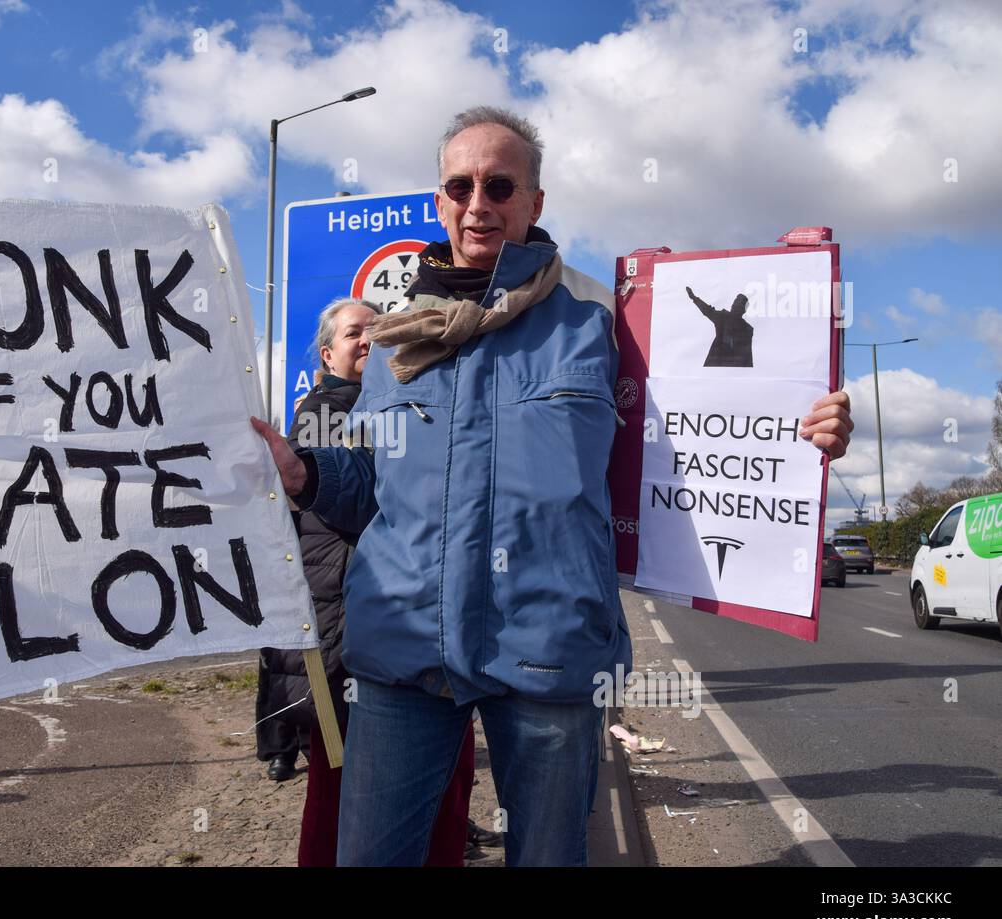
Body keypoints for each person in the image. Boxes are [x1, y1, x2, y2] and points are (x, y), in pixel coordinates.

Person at [252, 105, 853, 866]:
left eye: (500, 185)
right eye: (460, 185)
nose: (479, 203)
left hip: (548, 652)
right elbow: (370, 481)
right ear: (439, 201)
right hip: (402, 650)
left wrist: (799, 431)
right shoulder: (398, 339)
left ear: (534, 202)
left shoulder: (601, 321)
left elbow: (698, 432)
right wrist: (302, 470)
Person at [261, 297, 476, 866]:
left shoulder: (389, 404)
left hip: (391, 620)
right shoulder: (329, 413)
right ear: (327, 354)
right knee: (340, 789)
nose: (369, 341)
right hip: (349, 627)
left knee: (430, 781)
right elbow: (367, 503)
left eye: (378, 331)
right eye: (356, 333)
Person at [686, 285, 754, 367]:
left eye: (737, 304)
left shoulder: (745, 327)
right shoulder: (725, 317)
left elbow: (747, 354)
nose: (733, 306)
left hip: (726, 365)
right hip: (720, 363)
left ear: (742, 310)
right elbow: (708, 310)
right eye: (734, 304)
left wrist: (694, 298)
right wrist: (694, 298)